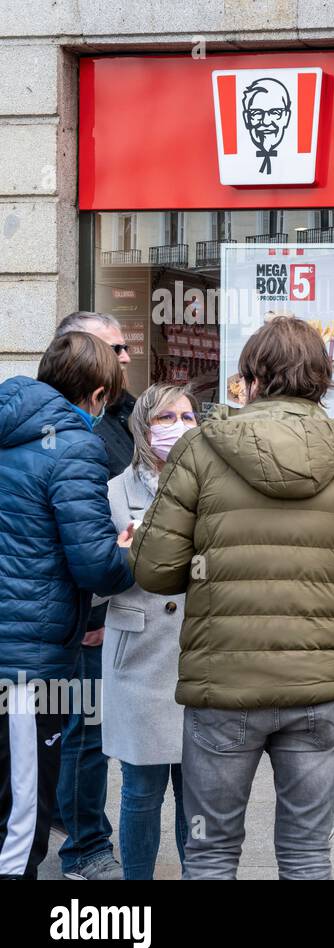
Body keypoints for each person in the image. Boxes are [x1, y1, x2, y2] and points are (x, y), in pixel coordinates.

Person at [129, 316, 334, 880]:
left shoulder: (199, 450)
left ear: (250, 377)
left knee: (209, 851)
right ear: (323, 379)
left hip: (223, 687)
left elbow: (155, 569)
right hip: (318, 688)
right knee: (305, 854)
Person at [0, 333, 134, 880]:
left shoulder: (12, 427)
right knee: (22, 816)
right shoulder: (76, 445)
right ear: (98, 394)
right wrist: (128, 551)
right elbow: (95, 566)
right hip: (28, 660)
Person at [50, 311, 135, 879]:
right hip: (83, 616)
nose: (126, 356)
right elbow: (87, 549)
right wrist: (123, 559)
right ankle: (83, 847)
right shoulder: (77, 437)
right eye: (115, 348)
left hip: (93, 614)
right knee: (84, 733)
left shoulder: (125, 417)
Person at [101, 382, 198, 879]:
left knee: (196, 794)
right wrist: (125, 553)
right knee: (140, 790)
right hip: (139, 658)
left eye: (186, 417)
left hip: (198, 660)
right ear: (142, 427)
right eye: (166, 418)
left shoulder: (214, 488)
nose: (179, 427)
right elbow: (94, 577)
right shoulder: (116, 489)